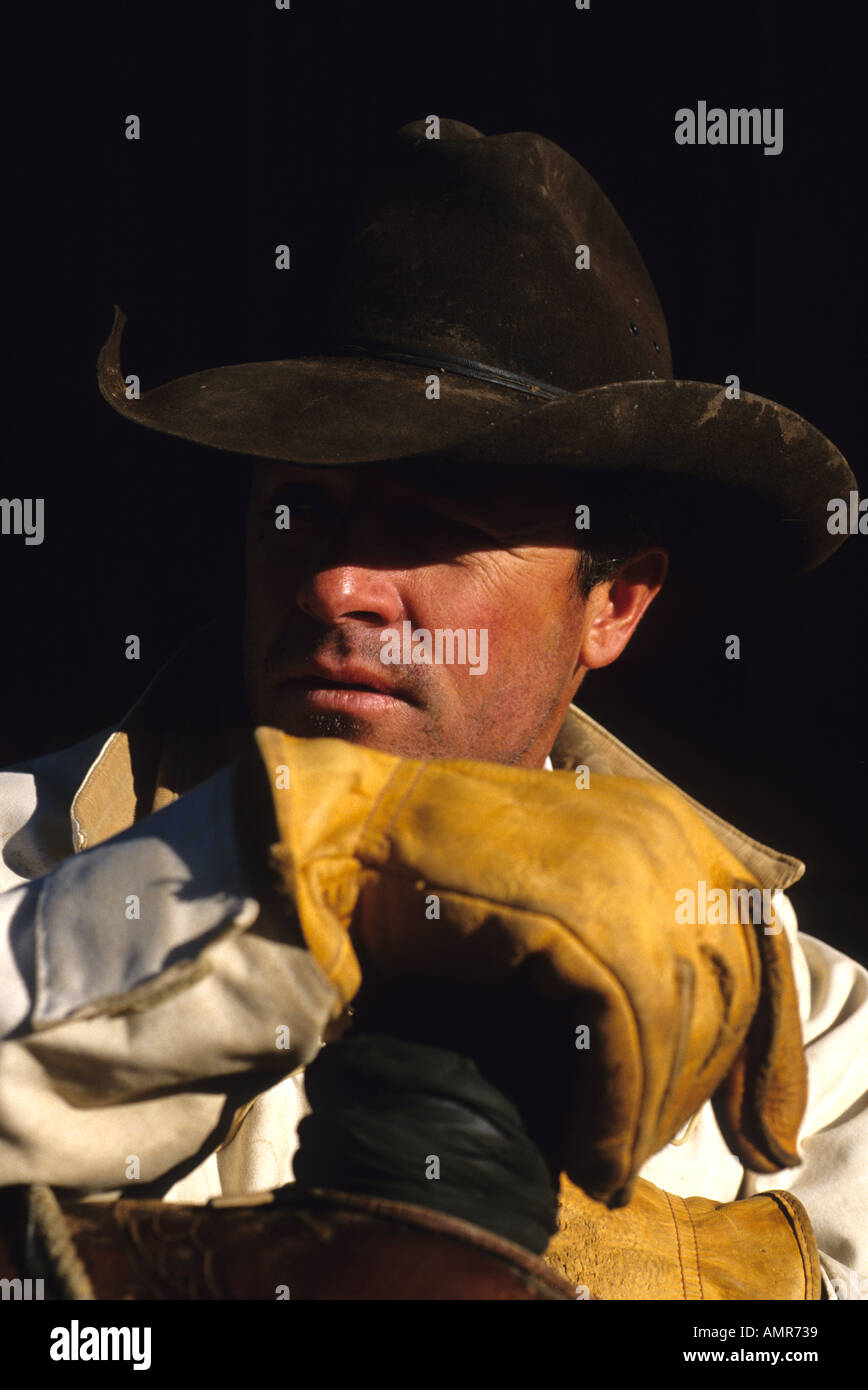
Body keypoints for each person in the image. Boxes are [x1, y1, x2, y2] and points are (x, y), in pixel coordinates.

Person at [0, 118, 864, 1300]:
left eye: (433, 529)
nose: (337, 582)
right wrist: (288, 862)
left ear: (612, 604)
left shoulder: (815, 1037)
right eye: (301, 509)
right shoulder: (17, 858)